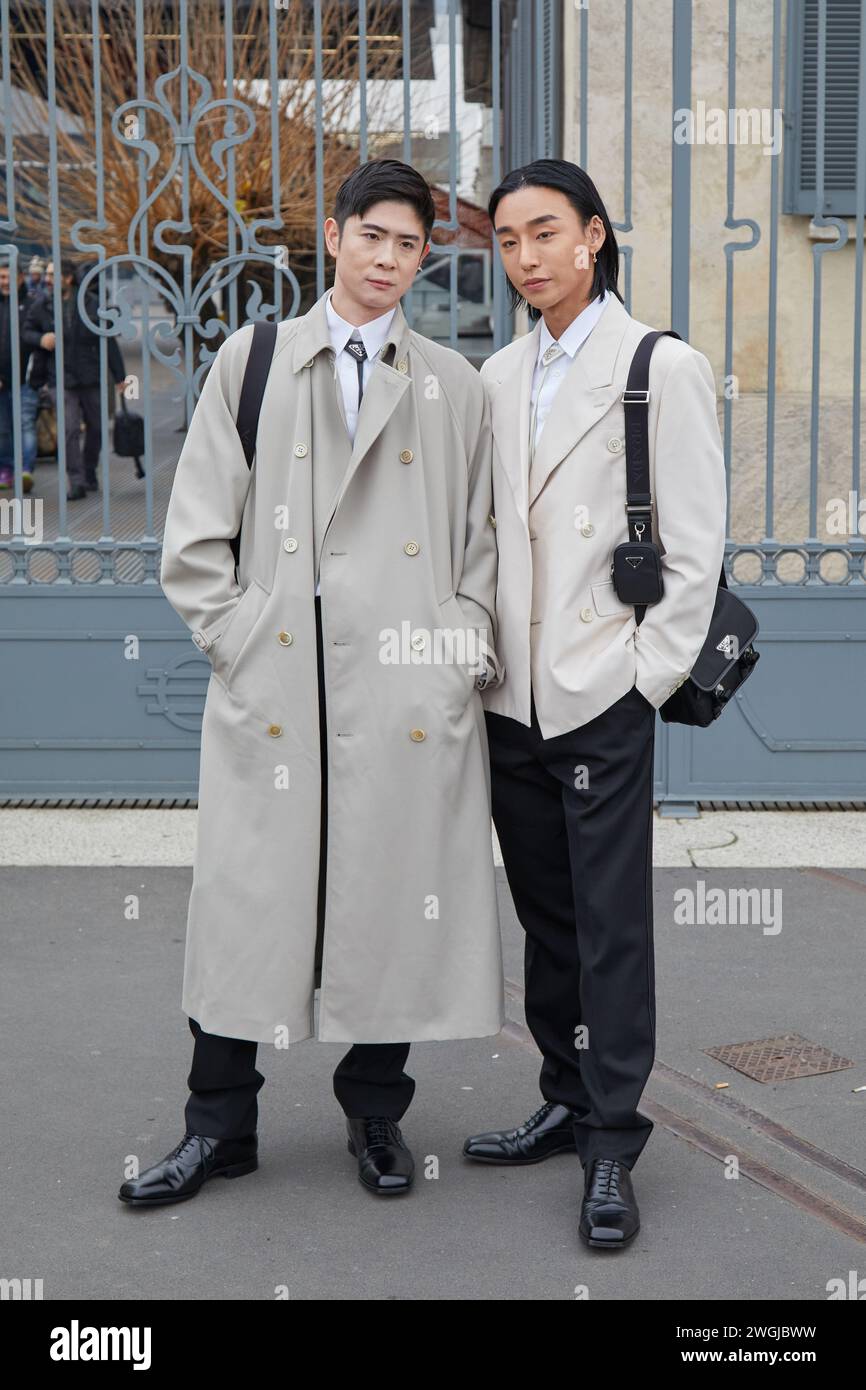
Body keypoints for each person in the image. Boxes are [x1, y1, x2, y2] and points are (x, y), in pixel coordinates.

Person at [119, 158, 505, 1208]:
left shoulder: (454, 385)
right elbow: (195, 537)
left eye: (409, 244)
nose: (388, 259)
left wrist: (454, 655)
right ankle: (218, 1126)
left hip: (401, 696)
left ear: (424, 260)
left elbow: (480, 550)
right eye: (372, 235)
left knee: (392, 901)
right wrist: (242, 641)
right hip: (280, 688)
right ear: (333, 236)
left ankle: (376, 1116)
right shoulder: (253, 362)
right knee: (245, 905)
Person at [463, 159, 727, 1250]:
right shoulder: (494, 376)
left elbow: (695, 545)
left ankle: (612, 1138)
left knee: (610, 924)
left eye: (544, 233)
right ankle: (565, 1096)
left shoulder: (659, 366)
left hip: (600, 693)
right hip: (510, 699)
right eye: (507, 240)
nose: (525, 258)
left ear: (594, 236)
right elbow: (485, 535)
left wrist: (642, 678)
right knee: (547, 918)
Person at [22, 259, 126, 499]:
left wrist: (120, 376)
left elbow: (108, 340)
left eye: (52, 275)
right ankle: (76, 481)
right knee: (69, 429)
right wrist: (41, 339)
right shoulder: (42, 305)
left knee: (97, 428)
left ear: (67, 278)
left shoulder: (92, 304)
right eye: (47, 274)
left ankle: (89, 471)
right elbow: (26, 331)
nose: (47, 279)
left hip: (90, 375)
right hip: (59, 377)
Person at [0, 260, 40, 492]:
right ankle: (6, 470)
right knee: (3, 429)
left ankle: (25, 470)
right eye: (1, 277)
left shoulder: (32, 304)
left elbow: (40, 337)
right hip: (2, 381)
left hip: (26, 378)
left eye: (8, 277)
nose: (4, 282)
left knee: (26, 424)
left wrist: (37, 376)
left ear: (20, 278)